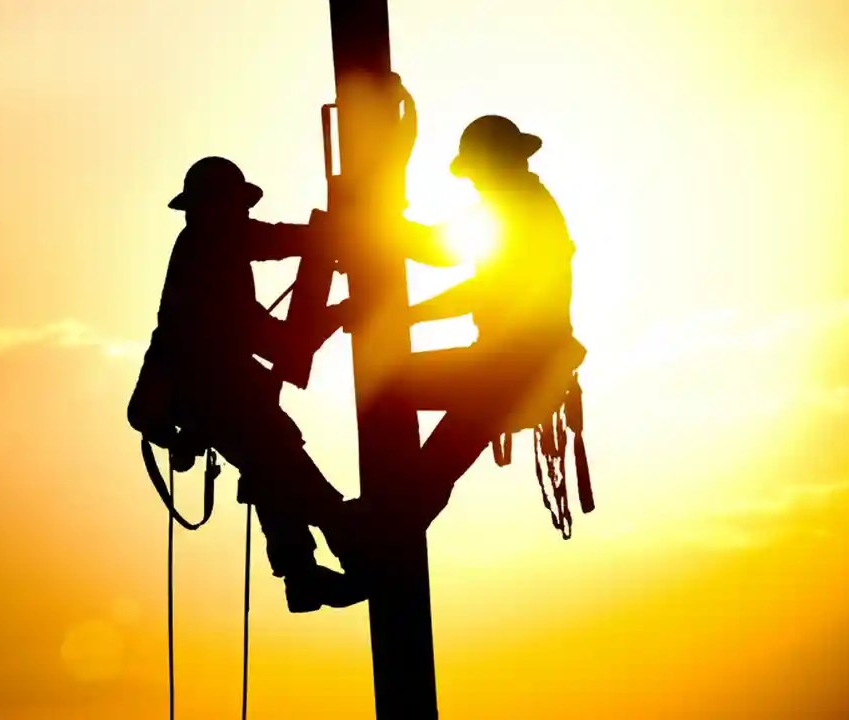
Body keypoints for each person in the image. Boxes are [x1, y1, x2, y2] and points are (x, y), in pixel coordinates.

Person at [129, 156, 363, 612]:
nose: (243, 216)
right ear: (213, 207)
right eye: (234, 206)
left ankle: (305, 572)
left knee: (272, 463)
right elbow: (274, 244)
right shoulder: (210, 244)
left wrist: (329, 314)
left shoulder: (209, 252)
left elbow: (256, 328)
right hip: (212, 390)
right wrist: (332, 248)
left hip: (219, 388)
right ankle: (339, 535)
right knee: (279, 458)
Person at [395, 115, 588, 528]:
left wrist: (407, 311)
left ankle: (381, 541)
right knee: (429, 471)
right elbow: (451, 259)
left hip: (513, 369)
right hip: (511, 366)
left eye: (477, 173)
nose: (475, 184)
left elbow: (453, 264)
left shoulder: (521, 210)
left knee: (391, 389)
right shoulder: (518, 205)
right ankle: (385, 539)